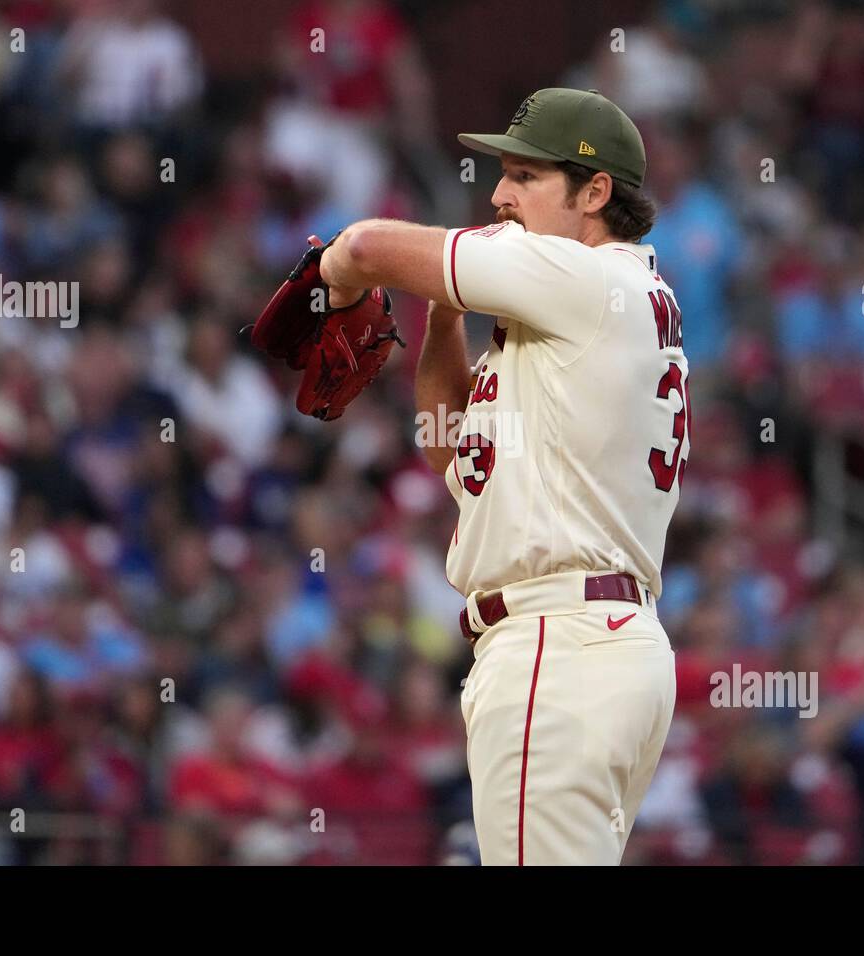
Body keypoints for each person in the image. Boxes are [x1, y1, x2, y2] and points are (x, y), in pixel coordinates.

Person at [317, 88, 683, 865]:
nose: (498, 194)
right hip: (600, 644)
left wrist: (334, 273)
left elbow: (366, 245)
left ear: (594, 193)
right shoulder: (582, 313)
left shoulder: (583, 279)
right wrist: (445, 311)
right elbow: (449, 449)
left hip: (559, 643)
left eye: (524, 176)